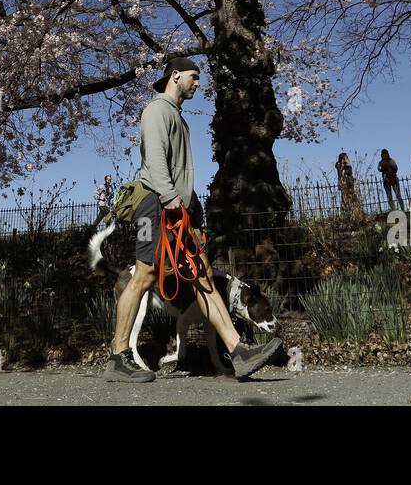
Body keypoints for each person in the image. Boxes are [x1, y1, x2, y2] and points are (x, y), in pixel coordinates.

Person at [105, 56, 283, 382]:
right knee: (144, 276)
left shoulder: (178, 117)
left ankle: (238, 351)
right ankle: (118, 357)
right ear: (175, 76)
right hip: (155, 205)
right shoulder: (156, 110)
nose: (198, 83)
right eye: (194, 76)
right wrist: (171, 200)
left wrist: (193, 211)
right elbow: (156, 160)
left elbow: (181, 172)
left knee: (203, 276)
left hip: (180, 210)